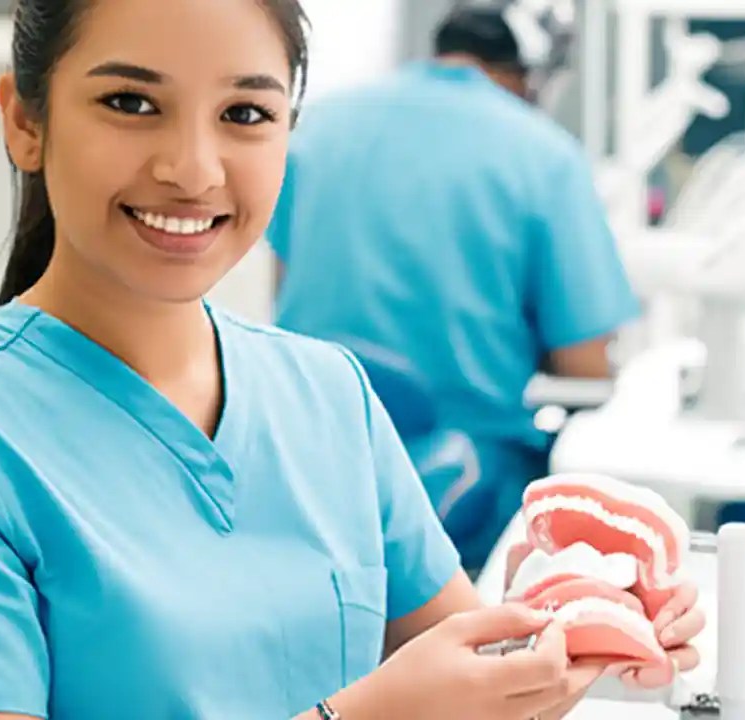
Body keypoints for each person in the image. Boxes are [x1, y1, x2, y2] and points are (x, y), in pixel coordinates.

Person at [0, 1, 702, 718]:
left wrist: (573, 618)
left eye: (245, 113)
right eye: (131, 102)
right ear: (25, 121)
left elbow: (475, 679)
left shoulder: (330, 396)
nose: (194, 170)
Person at [268, 4, 643, 570]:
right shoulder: (542, 153)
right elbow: (585, 363)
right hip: (464, 485)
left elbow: (286, 290)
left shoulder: (316, 128)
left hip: (308, 460)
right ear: (531, 73)